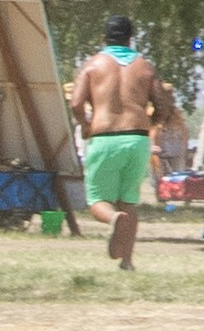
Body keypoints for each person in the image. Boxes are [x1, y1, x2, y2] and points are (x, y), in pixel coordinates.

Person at [70, 14, 171, 271]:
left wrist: (84, 125)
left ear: (104, 38)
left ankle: (113, 218)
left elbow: (75, 103)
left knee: (97, 201)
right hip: (137, 139)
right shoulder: (145, 67)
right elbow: (163, 105)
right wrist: (151, 123)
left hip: (104, 137)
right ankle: (127, 261)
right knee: (130, 201)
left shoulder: (93, 65)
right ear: (131, 38)